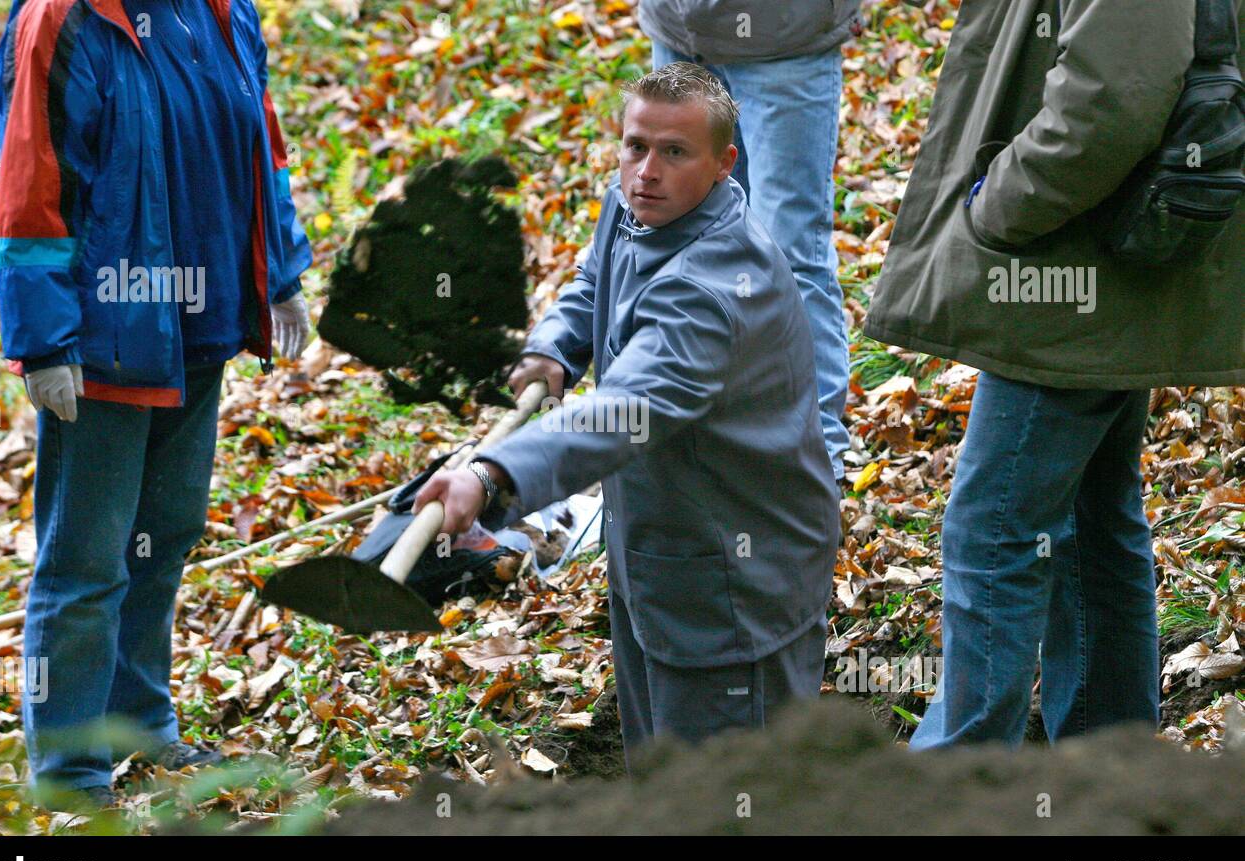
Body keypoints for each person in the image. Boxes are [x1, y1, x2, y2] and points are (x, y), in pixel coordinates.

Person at [414, 63, 840, 763]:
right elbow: (595, 281)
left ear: (723, 164)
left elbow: (622, 412)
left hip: (737, 581)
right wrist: (555, 349)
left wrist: (491, 476)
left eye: (675, 152)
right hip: (660, 560)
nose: (647, 170)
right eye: (635, 145)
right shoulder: (639, 206)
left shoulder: (716, 288)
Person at [864, 0, 1245, 747]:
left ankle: (957, 795)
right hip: (1103, 261)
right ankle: (1111, 777)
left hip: (1075, 274)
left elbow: (1112, 98)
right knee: (1085, 522)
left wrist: (997, 204)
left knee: (996, 530)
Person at [0, 0, 312, 807]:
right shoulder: (61, 20)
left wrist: (281, 273)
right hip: (105, 336)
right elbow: (34, 178)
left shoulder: (224, 11)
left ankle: (140, 724)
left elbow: (261, 144)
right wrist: (45, 340)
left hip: (200, 321)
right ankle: (69, 775)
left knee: (161, 535)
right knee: (86, 561)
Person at [636, 0, 861, 479]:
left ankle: (814, 464)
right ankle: (709, 440)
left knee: (788, 255)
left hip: (783, 37)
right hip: (679, 32)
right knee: (687, 242)